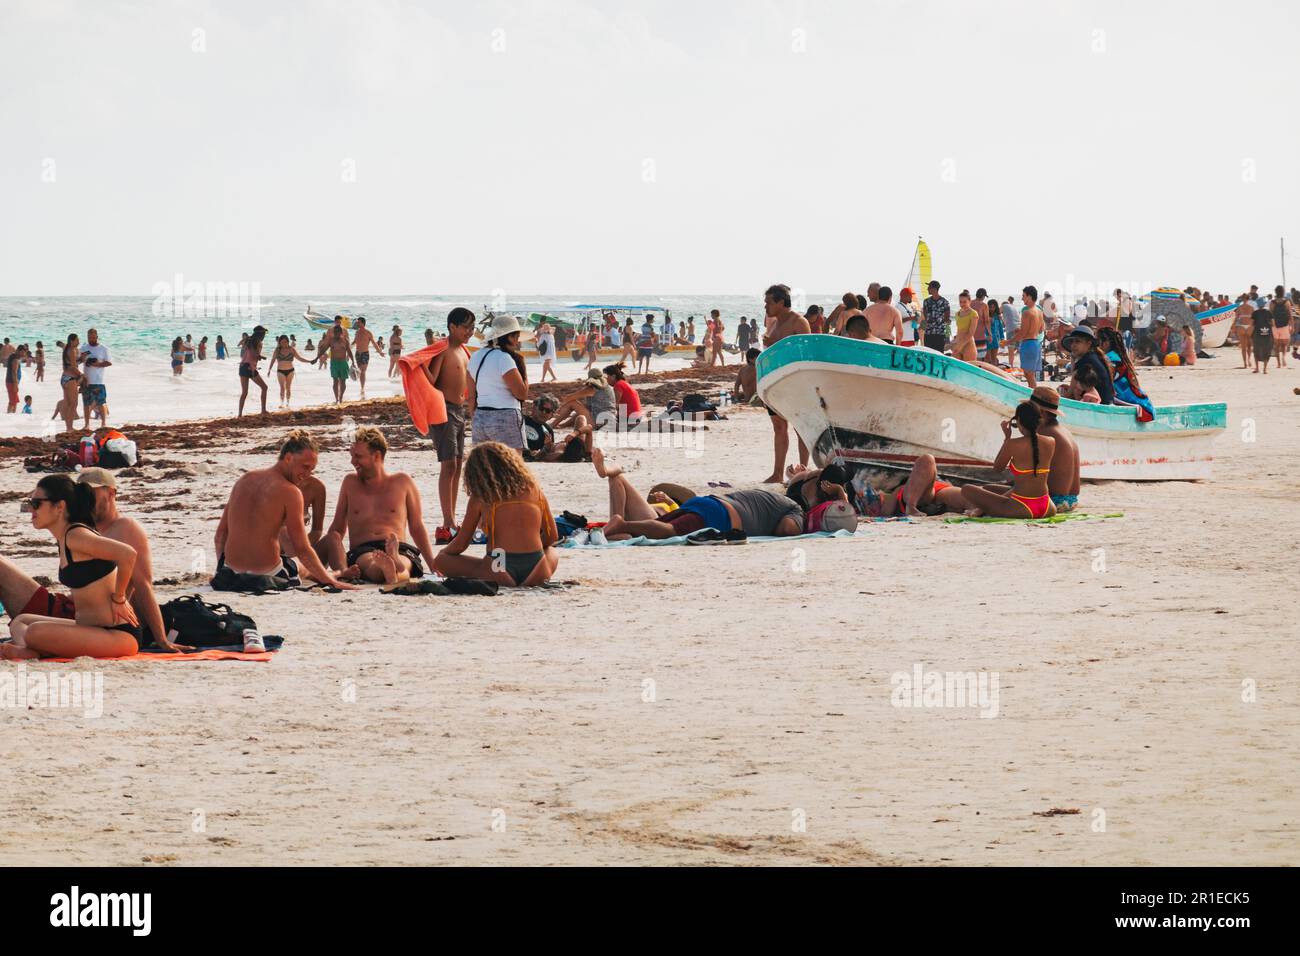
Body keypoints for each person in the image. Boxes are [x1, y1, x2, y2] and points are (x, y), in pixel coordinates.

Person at [1, 469, 183, 653]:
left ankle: (28, 650)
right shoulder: (67, 536)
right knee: (20, 621)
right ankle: (27, 651)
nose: (31, 509)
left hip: (117, 633)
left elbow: (128, 555)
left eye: (36, 503)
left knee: (35, 631)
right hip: (88, 627)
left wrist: (119, 598)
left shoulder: (76, 535)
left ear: (59, 507)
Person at [212, 430, 354, 591]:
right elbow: (302, 549)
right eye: (305, 467)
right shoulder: (291, 492)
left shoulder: (244, 480)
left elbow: (220, 535)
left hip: (231, 572)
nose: (307, 474)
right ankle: (331, 576)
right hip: (269, 573)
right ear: (288, 458)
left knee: (296, 562)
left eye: (311, 470)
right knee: (299, 565)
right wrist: (332, 583)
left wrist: (221, 569)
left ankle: (329, 575)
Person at [596, 452, 818, 540]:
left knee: (656, 526)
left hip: (707, 503)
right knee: (670, 531)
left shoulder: (771, 496)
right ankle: (620, 523)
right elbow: (788, 529)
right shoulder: (794, 509)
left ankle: (621, 525)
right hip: (720, 515)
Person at [317, 427, 438, 585]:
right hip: (363, 549)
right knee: (372, 565)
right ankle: (391, 571)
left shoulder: (402, 482)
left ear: (376, 456)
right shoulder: (350, 483)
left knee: (405, 564)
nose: (353, 462)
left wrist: (433, 565)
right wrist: (334, 557)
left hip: (398, 547)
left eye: (358, 456)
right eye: (352, 456)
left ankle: (394, 567)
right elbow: (338, 528)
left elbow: (417, 527)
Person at [433, 442, 560, 587]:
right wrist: (527, 551)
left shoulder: (480, 497)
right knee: (552, 552)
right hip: (537, 568)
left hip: (498, 567)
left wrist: (444, 552)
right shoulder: (535, 491)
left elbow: (461, 544)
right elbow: (552, 537)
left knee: (441, 560)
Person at [424, 307, 476, 541]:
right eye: (466, 327)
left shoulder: (464, 352)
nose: (470, 332)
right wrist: (419, 362)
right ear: (452, 327)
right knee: (448, 466)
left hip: (459, 411)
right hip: (443, 411)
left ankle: (452, 518)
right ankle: (448, 520)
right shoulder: (443, 350)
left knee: (456, 465)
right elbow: (432, 380)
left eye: (472, 328)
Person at [958, 401, 1057, 519]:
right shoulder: (1051, 441)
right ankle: (980, 509)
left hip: (1022, 507)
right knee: (989, 489)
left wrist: (1007, 438)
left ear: (1018, 421)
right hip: (1047, 506)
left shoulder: (1012, 444)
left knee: (966, 489)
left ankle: (979, 510)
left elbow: (997, 468)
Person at [761, 284, 811, 483]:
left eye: (769, 302)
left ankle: (803, 471)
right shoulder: (774, 323)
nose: (766, 306)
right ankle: (777, 473)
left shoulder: (799, 322)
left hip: (796, 383)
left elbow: (807, 353)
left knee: (801, 428)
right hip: (775, 384)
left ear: (781, 302)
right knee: (779, 427)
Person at [467, 313, 530, 450]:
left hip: (481, 417)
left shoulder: (475, 357)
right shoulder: (504, 358)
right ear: (510, 337)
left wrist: (476, 418)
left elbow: (471, 397)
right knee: (511, 466)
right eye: (517, 337)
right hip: (505, 415)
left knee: (484, 465)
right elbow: (522, 394)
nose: (518, 342)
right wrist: (522, 366)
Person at [1061, 326, 1116, 404]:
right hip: (1106, 402)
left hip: (1099, 406)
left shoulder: (1085, 361)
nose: (1073, 345)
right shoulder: (1093, 357)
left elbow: (1069, 393)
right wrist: (1073, 358)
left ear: (1089, 343)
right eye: (1072, 341)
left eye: (1077, 341)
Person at [267, 334, 313, 406]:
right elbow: (273, 360)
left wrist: (309, 361)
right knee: (282, 388)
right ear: (279, 343)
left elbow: (300, 358)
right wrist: (269, 369)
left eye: (285, 342)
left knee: (288, 387)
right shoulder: (277, 350)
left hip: (290, 371)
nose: (284, 344)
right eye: (282, 342)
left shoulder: (292, 349)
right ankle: (282, 403)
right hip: (280, 371)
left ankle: (287, 403)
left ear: (288, 342)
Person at [79, 328, 112, 429]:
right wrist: (83, 358)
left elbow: (109, 362)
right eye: (89, 337)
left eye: (93, 337)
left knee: (101, 402)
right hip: (86, 380)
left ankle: (103, 423)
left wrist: (97, 364)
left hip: (98, 380)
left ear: (97, 337)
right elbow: (77, 361)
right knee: (86, 403)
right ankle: (87, 424)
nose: (91, 339)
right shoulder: (84, 348)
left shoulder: (103, 348)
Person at [1014, 286, 1045, 388]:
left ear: (1029, 296)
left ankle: (1034, 397)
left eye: (1023, 296)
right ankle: (1034, 395)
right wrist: (1031, 329)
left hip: (1028, 344)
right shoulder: (1039, 311)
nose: (1022, 298)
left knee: (1029, 375)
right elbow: (1041, 329)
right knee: (1029, 375)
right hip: (1036, 343)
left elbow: (1022, 333)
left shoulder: (1026, 312)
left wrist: (1007, 342)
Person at [318, 323, 355, 403]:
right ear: (333, 332)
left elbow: (349, 351)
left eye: (338, 332)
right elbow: (323, 349)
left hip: (343, 362)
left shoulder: (345, 341)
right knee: (335, 381)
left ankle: (341, 397)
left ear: (341, 332)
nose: (336, 333)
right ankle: (336, 399)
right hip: (334, 363)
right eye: (335, 332)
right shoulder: (331, 341)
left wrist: (353, 361)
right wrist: (316, 358)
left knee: (343, 381)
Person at [237, 325, 270, 417]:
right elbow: (253, 354)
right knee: (264, 387)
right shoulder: (258, 343)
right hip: (250, 367)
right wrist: (259, 356)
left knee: (244, 392)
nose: (264, 336)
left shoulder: (248, 341)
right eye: (264, 334)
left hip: (242, 366)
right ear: (261, 334)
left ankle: (239, 414)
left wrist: (258, 356)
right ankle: (263, 410)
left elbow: (248, 352)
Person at [58, 334, 83, 434]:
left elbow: (72, 364)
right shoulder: (72, 350)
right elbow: (73, 367)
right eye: (77, 340)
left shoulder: (67, 349)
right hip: (70, 379)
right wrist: (82, 375)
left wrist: (81, 359)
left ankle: (69, 427)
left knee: (69, 404)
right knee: (73, 404)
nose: (78, 342)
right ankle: (69, 427)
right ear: (72, 341)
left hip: (64, 378)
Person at [352, 316, 382, 398]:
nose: (357, 323)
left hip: (365, 353)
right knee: (360, 370)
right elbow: (354, 342)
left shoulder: (368, 333)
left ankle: (362, 388)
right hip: (357, 353)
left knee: (363, 371)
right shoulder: (357, 332)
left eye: (358, 322)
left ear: (362, 323)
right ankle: (361, 384)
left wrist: (380, 352)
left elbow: (374, 343)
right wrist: (348, 349)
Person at [605, 363, 642, 427]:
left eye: (607, 376)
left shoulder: (618, 385)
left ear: (613, 376)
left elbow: (614, 405)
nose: (606, 379)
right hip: (636, 417)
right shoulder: (623, 383)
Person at [920, 280, 951, 352]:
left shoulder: (945, 302)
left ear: (934, 289)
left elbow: (947, 321)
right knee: (928, 356)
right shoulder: (926, 302)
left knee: (939, 356)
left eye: (929, 287)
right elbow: (925, 319)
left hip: (940, 335)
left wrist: (948, 338)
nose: (927, 289)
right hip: (928, 335)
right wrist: (921, 332)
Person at [952, 290, 979, 362]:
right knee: (955, 370)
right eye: (960, 302)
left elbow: (971, 333)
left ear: (969, 301)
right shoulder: (957, 313)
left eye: (964, 302)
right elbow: (959, 330)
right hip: (958, 344)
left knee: (969, 370)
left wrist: (961, 345)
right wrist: (954, 342)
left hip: (968, 345)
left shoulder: (973, 313)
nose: (962, 304)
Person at [1252, 298, 1274, 374]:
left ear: (1257, 304)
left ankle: (1257, 368)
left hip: (1257, 334)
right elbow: (1273, 324)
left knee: (1256, 350)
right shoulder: (1269, 313)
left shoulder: (1255, 313)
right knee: (1266, 351)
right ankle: (1265, 369)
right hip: (1267, 334)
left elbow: (1252, 324)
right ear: (1264, 304)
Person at [1272, 285, 1291, 369]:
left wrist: (1272, 325)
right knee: (1285, 344)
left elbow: (1270, 314)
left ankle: (1278, 363)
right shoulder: (1286, 302)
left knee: (1276, 345)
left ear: (1275, 292)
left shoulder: (1272, 302)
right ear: (1283, 292)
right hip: (1285, 325)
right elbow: (1290, 314)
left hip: (1275, 325)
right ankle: (1283, 357)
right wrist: (1292, 325)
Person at [5, 344, 28, 413]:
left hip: (10, 382)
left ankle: (11, 416)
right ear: (19, 351)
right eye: (24, 352)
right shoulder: (15, 359)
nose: (24, 354)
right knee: (13, 402)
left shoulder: (13, 356)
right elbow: (14, 372)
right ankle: (9, 416)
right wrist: (15, 384)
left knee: (13, 401)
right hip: (12, 382)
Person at [1000, 296, 1020, 367]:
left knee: (1010, 350)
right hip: (1019, 329)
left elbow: (997, 312)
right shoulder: (1014, 308)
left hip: (1011, 329)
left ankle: (1011, 366)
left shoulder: (1004, 306)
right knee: (1019, 349)